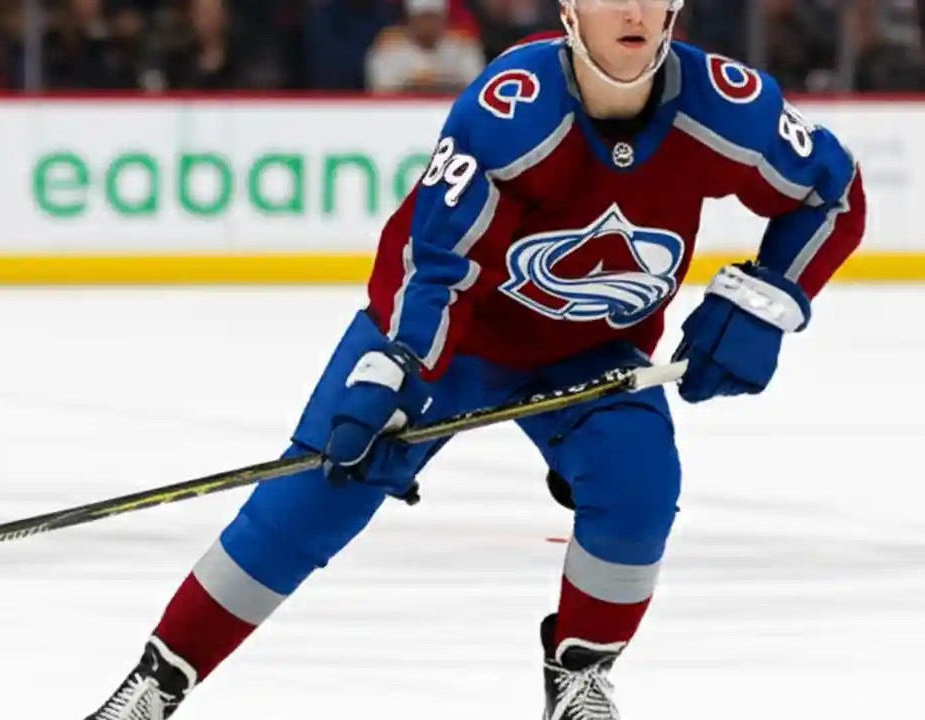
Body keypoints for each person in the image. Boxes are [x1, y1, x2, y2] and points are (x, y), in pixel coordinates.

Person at [85, 0, 867, 717]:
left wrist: (770, 296)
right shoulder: (510, 112)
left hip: (593, 348)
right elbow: (435, 268)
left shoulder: (729, 107)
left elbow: (833, 194)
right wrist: (395, 369)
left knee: (640, 486)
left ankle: (581, 673)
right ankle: (159, 680)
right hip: (456, 337)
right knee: (316, 493)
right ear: (570, 10)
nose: (632, 10)